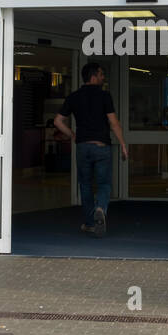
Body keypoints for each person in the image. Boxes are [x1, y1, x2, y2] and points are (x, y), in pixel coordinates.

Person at [53, 63, 128, 237]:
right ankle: (100, 207)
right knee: (104, 184)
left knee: (85, 185)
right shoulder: (104, 96)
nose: (103, 77)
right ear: (93, 76)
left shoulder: (73, 97)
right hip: (101, 146)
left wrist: (73, 135)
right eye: (101, 74)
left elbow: (57, 121)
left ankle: (89, 224)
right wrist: (123, 143)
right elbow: (114, 123)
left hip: (83, 147)